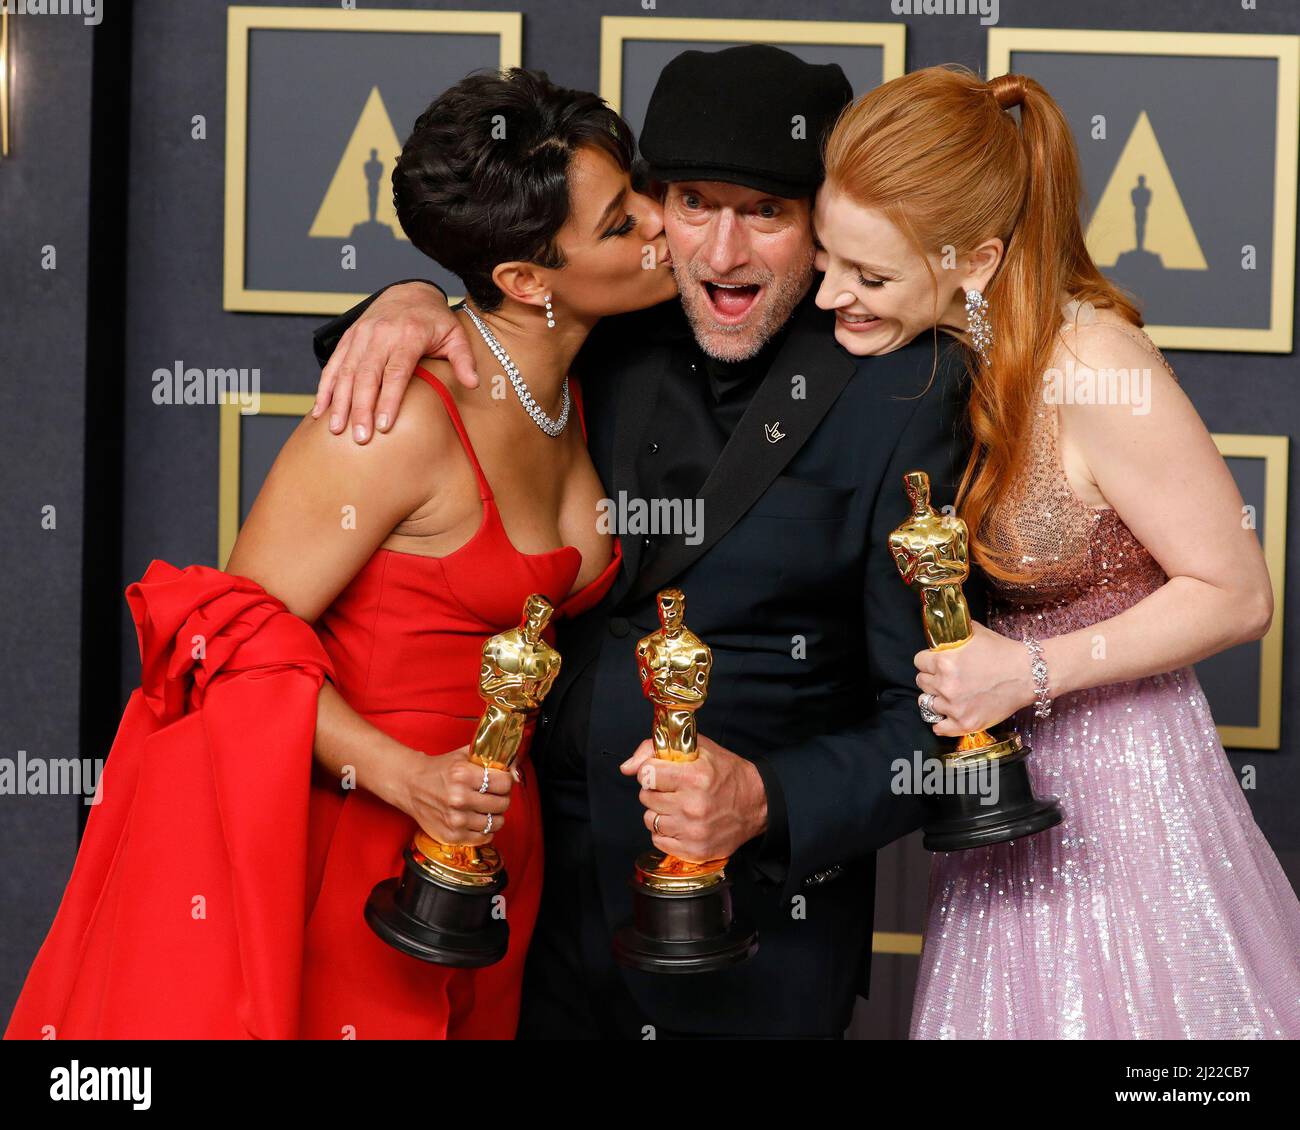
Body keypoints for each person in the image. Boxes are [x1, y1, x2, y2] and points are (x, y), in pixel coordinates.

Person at [311, 44, 973, 1039]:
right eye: (694, 202)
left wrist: (762, 797)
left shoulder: (901, 387)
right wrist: (406, 301)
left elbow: (947, 725)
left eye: (765, 213)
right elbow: (490, 317)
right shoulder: (603, 317)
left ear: (826, 224)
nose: (721, 251)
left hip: (749, 940)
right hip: (516, 919)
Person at [4, 68, 672, 1040]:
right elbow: (217, 636)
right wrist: (400, 774)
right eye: (620, 222)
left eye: (641, 188)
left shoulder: (584, 376)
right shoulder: (400, 417)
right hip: (363, 842)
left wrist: (406, 292)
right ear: (527, 279)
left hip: (489, 841)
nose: (658, 222)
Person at [813, 64, 1300, 1038]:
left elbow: (1236, 591)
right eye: (827, 256)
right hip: (1002, 800)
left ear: (976, 258)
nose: (829, 293)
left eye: (868, 277)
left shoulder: (1092, 365)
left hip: (1124, 802)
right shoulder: (948, 356)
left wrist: (1026, 668)